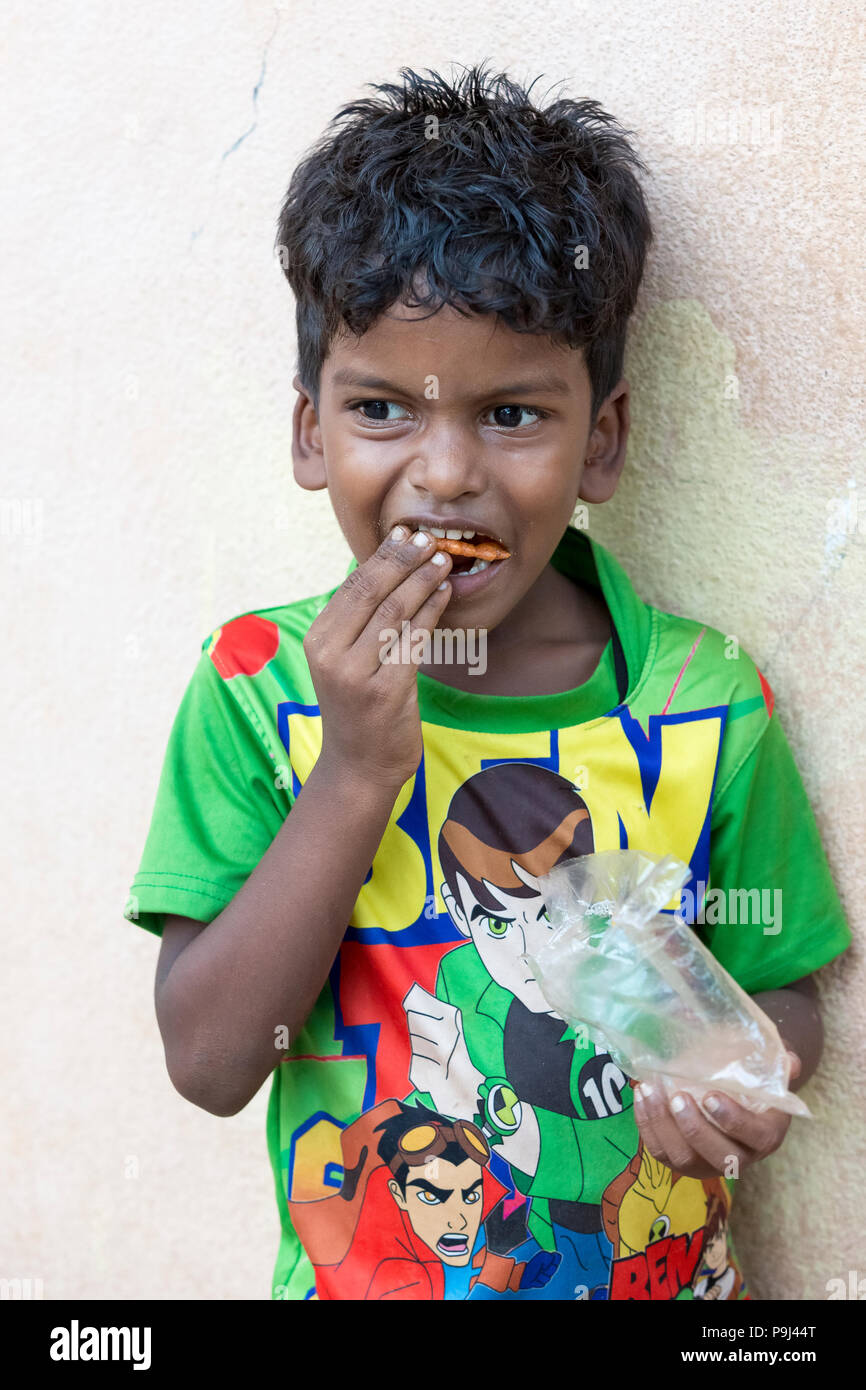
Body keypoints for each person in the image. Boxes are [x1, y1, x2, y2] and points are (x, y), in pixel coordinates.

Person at [124, 64, 851, 1301]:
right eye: (381, 410)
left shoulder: (703, 700)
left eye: (510, 414)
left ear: (600, 440)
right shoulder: (256, 687)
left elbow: (776, 981)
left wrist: (738, 1077)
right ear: (309, 432)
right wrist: (354, 773)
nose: (446, 473)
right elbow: (211, 1062)